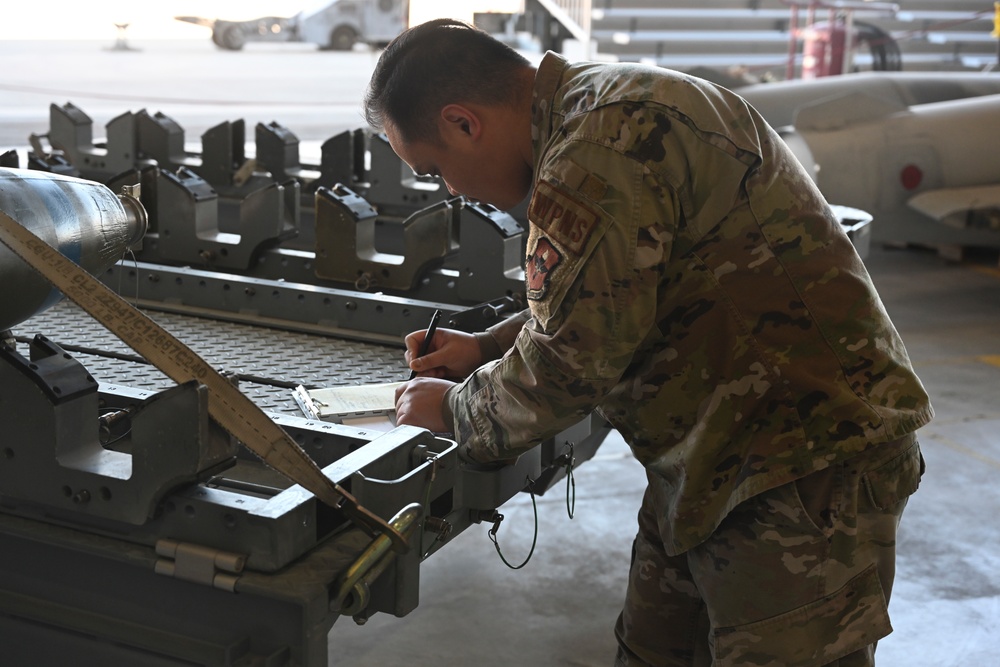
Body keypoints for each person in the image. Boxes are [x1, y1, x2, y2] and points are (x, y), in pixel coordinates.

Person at [364, 19, 932, 667]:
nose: (453, 191)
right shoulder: (602, 111)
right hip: (717, 458)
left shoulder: (599, 147)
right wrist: (487, 346)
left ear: (464, 122)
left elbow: (572, 365)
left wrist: (454, 409)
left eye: (436, 169)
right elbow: (617, 293)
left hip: (799, 465)